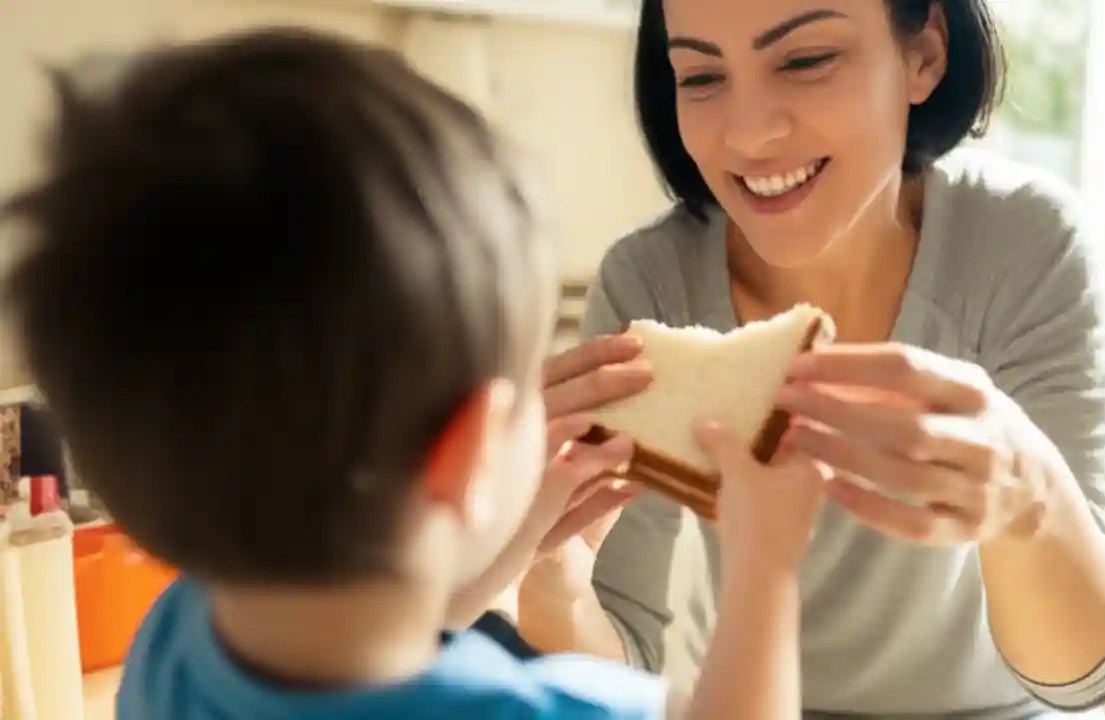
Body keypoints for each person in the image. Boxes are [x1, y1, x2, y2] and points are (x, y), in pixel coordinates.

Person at [0, 28, 826, 720]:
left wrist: (503, 548)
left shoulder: (177, 638)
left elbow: (365, 651)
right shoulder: (534, 709)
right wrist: (764, 566)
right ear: (466, 449)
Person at [519, 1, 1105, 718]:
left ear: (923, 56)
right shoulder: (650, 279)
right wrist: (553, 581)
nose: (749, 133)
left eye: (804, 60)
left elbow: (1090, 672)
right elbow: (618, 678)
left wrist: (1030, 503)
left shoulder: (1024, 243)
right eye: (700, 75)